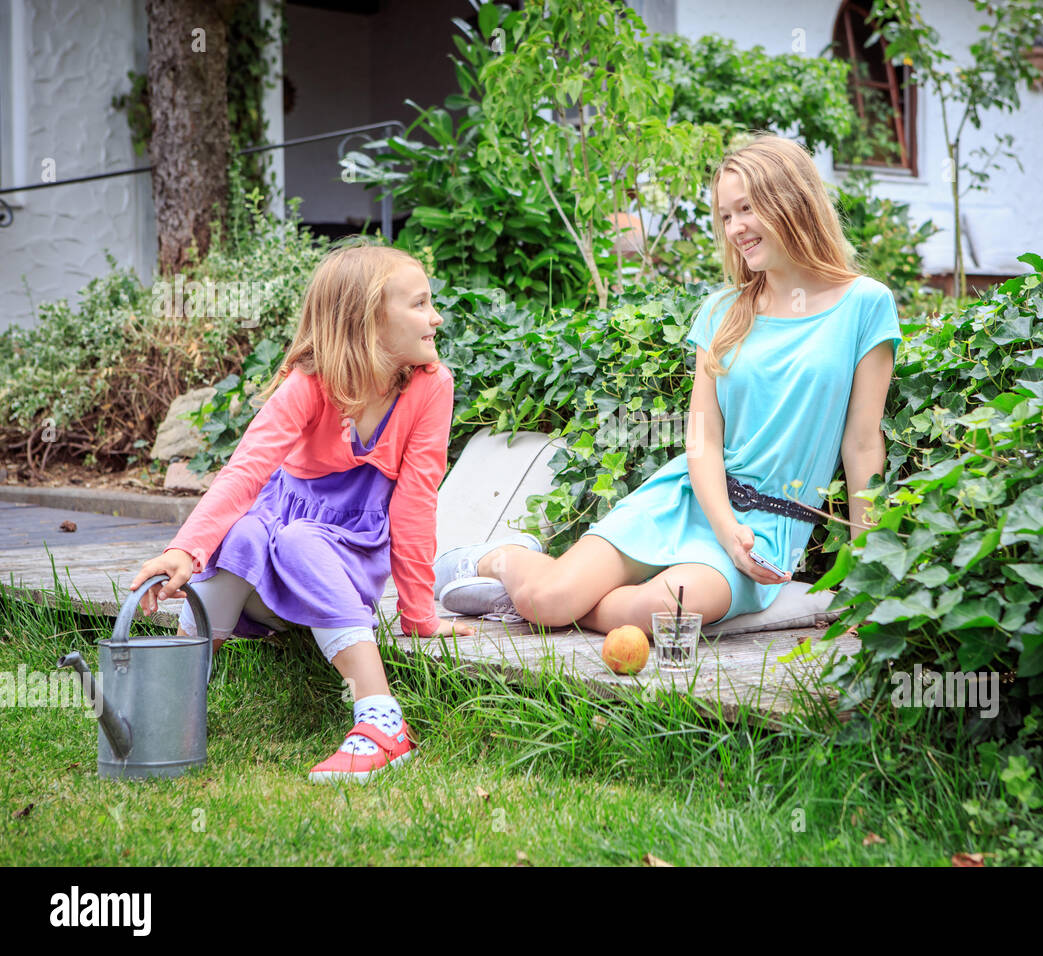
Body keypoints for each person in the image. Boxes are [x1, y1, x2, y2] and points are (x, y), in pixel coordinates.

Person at [434, 133, 901, 639]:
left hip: (768, 529)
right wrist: (723, 526)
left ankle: (537, 598)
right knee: (549, 600)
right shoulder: (723, 313)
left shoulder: (865, 305)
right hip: (689, 499)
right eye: (726, 216)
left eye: (747, 208)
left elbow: (861, 446)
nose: (736, 228)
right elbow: (701, 440)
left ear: (792, 200)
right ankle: (507, 561)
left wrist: (868, 578)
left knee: (671, 610)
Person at [127, 240, 477, 784]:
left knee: (297, 543)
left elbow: (416, 502)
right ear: (368, 321)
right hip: (265, 582)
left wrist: (419, 615)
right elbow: (246, 471)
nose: (435, 318)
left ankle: (382, 722)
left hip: (339, 568)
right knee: (245, 534)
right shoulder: (309, 386)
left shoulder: (431, 387)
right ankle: (172, 708)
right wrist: (184, 551)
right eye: (419, 304)